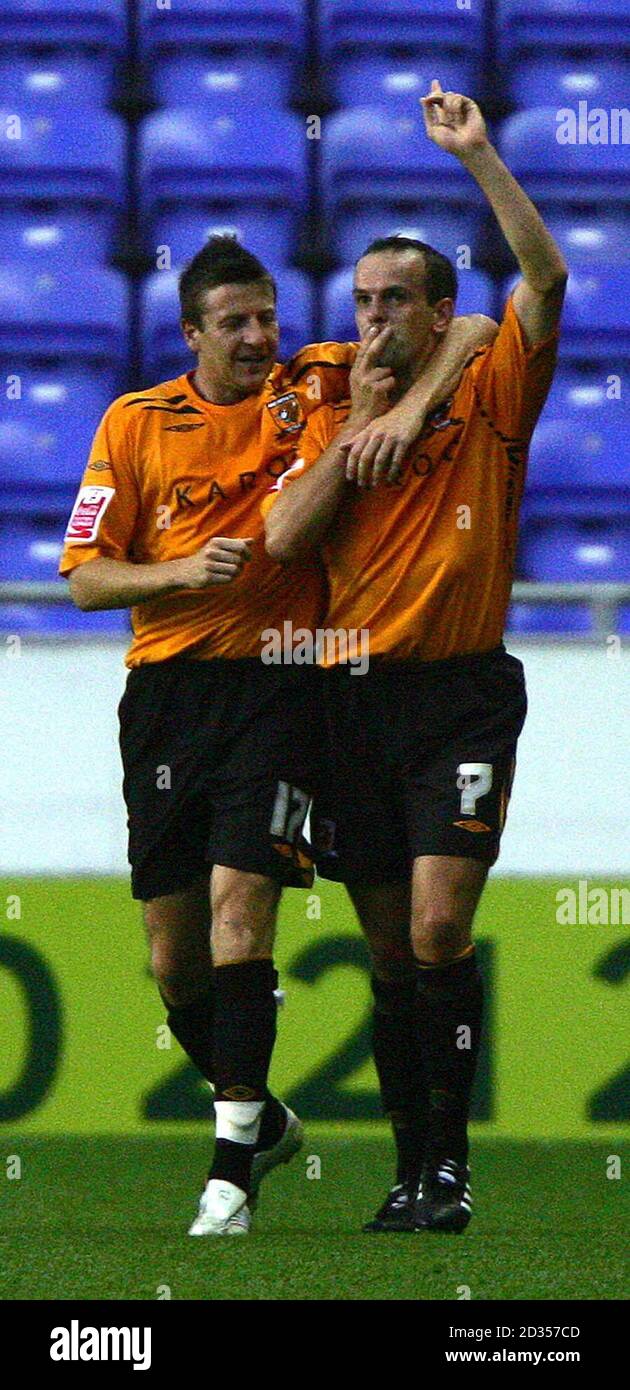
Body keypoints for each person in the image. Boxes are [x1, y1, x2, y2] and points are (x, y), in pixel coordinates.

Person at [59, 233, 495, 1237]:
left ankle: (227, 1180)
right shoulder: (137, 423)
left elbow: (468, 325)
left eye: (268, 318)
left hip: (288, 683)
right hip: (169, 697)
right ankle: (264, 1121)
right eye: (235, 324)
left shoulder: (314, 382)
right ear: (191, 335)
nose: (261, 338)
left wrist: (415, 398)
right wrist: (175, 574)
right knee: (177, 961)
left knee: (240, 909)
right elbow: (84, 576)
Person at [264, 82, 567, 1234]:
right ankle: (417, 1169)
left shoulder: (488, 391)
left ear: (438, 311)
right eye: (363, 300)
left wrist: (482, 157)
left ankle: (452, 1172)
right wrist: (365, 422)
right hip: (345, 694)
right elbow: (286, 537)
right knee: (390, 949)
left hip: (462, 696)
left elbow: (534, 287)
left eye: (399, 300)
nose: (375, 317)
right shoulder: (321, 392)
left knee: (441, 927)